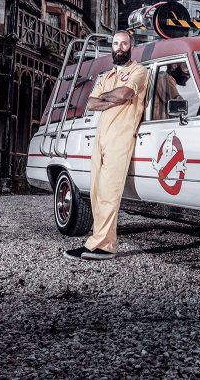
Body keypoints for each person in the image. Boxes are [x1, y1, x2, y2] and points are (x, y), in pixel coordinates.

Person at [63, 31, 149, 260]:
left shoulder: (138, 71)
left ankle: (105, 246)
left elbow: (126, 93)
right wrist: (113, 98)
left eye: (124, 44)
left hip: (120, 138)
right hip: (101, 137)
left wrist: (108, 98)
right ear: (111, 47)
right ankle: (95, 241)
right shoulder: (107, 75)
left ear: (132, 46)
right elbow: (90, 103)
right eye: (116, 44)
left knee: (109, 193)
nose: (119, 47)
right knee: (97, 192)